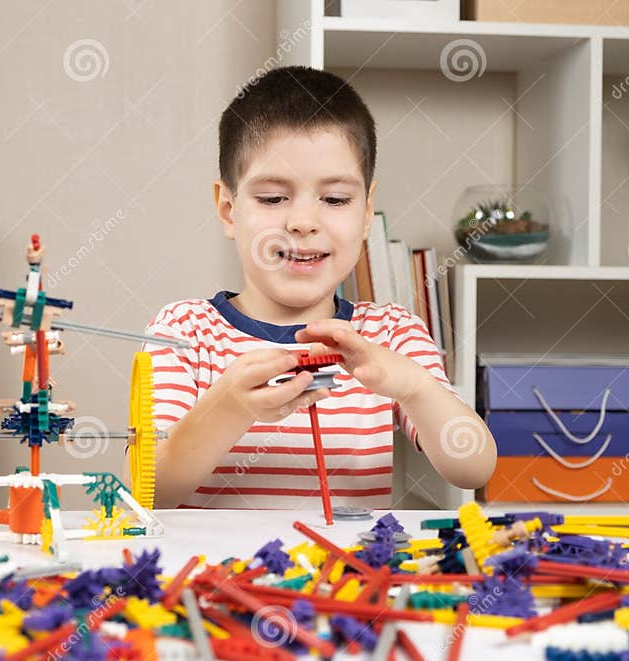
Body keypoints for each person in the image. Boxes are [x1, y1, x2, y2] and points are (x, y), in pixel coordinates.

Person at [138, 65, 496, 510]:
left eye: (335, 199)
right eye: (272, 198)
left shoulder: (390, 332)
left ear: (367, 212)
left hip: (346, 577)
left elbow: (474, 467)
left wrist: (413, 387)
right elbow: (150, 492)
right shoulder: (183, 331)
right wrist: (229, 406)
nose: (303, 222)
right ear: (229, 210)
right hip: (218, 579)